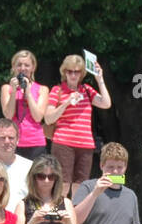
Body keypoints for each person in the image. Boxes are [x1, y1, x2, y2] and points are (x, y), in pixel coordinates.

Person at [45, 54, 112, 186]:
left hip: (85, 144)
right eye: (70, 71)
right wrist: (66, 103)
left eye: (77, 71)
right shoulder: (57, 90)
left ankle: (74, 207)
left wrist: (100, 80)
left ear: (82, 73)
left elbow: (106, 103)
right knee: (62, 183)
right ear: (65, 72)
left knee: (80, 184)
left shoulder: (86, 90)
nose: (73, 75)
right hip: (63, 142)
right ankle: (61, 207)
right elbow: (48, 118)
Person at [1, 49, 47, 159]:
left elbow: (38, 117)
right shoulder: (6, 88)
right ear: (13, 67)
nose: (22, 68)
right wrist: (13, 92)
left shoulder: (42, 89)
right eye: (19, 65)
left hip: (35, 142)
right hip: (13, 141)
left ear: (33, 68)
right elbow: (8, 115)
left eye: (26, 65)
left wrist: (28, 92)